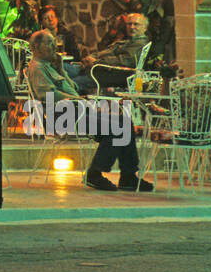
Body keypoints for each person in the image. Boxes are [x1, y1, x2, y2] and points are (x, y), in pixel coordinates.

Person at [26, 29, 152, 192]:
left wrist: (61, 70)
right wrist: (78, 100)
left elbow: (75, 87)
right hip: (62, 116)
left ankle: (128, 176)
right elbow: (49, 95)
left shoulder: (51, 67)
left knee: (124, 122)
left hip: (77, 111)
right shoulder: (37, 68)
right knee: (116, 128)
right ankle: (95, 174)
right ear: (36, 47)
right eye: (49, 43)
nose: (53, 46)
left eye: (53, 42)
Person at [82, 13, 151, 91]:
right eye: (129, 24)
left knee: (73, 81)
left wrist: (97, 61)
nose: (132, 27)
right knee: (69, 73)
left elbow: (123, 60)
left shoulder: (139, 43)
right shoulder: (127, 40)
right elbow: (107, 50)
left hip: (112, 75)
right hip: (97, 70)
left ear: (145, 28)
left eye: (136, 24)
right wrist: (92, 57)